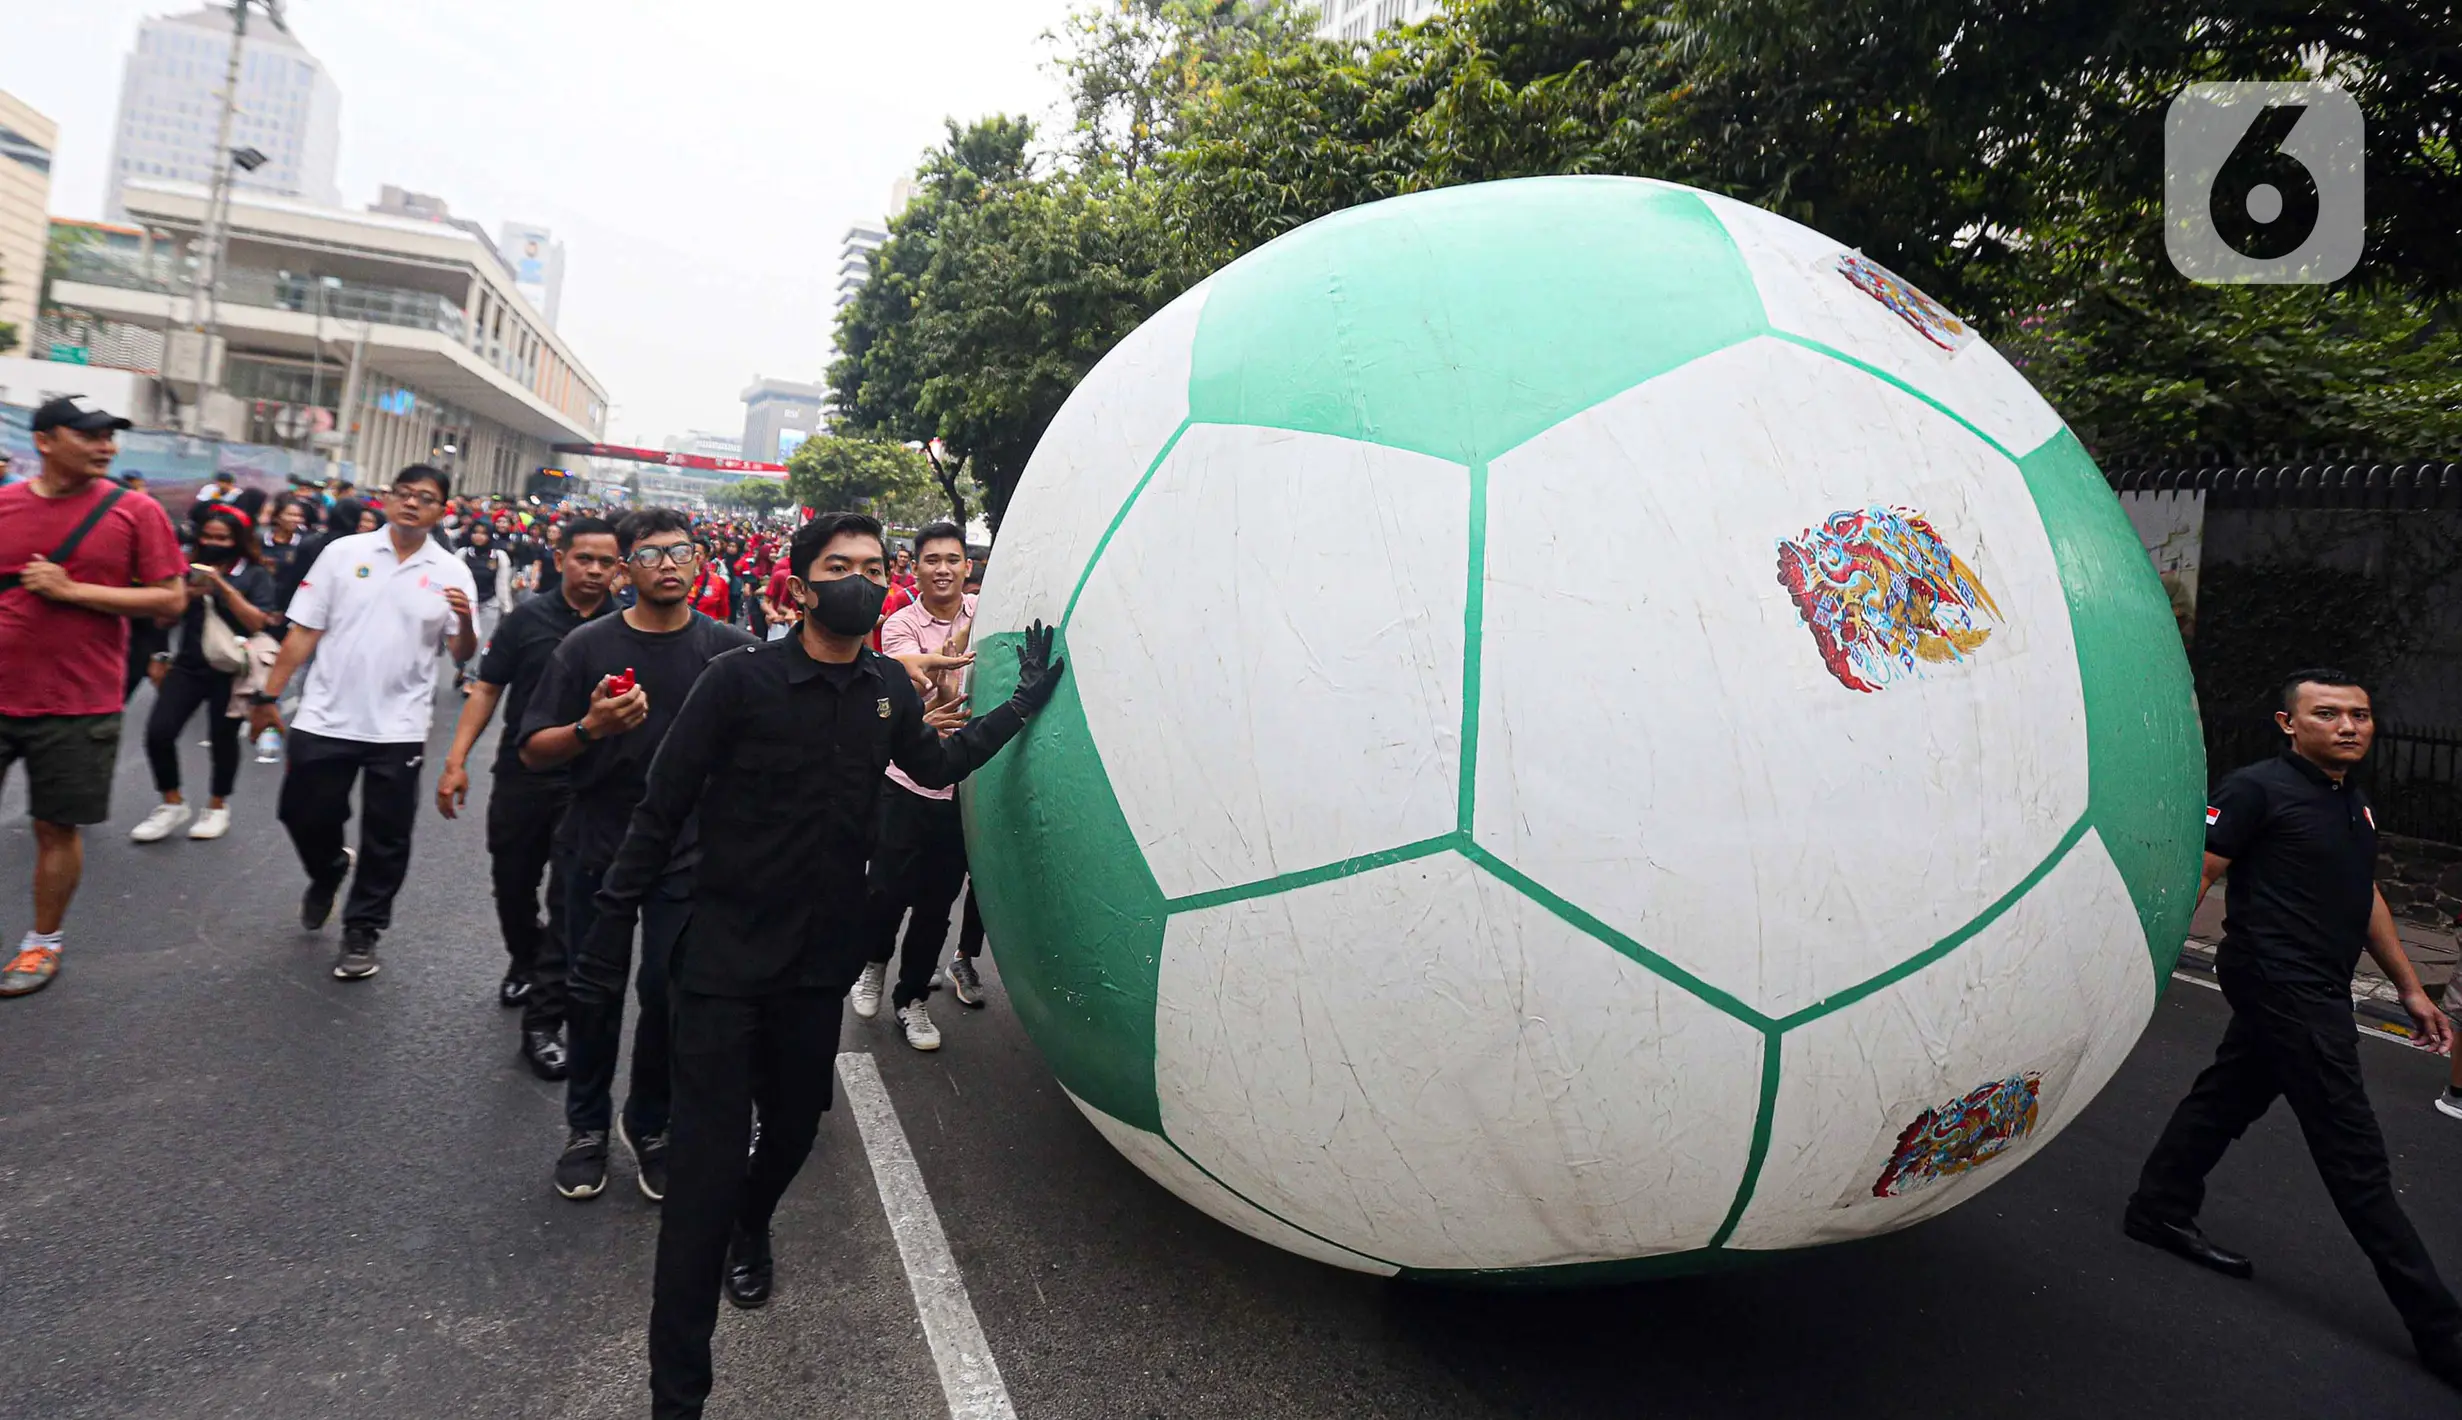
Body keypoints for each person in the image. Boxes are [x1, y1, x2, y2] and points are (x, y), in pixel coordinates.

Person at [582, 511, 1063, 1418]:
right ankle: (676, 1397)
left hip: (815, 967)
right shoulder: (738, 683)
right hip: (722, 966)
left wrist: (1021, 704)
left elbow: (940, 757)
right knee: (700, 1188)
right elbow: (661, 807)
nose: (862, 579)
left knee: (796, 1129)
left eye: (873, 566)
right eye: (839, 566)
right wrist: (608, 933)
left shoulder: (886, 687)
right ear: (799, 587)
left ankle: (754, 1223)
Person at [2128, 669, 2462, 1390]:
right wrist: (2151, 964)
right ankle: (2443, 1332)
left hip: (2317, 983)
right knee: (2356, 1156)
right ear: (2288, 723)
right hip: (2279, 983)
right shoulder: (2254, 789)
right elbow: (2202, 873)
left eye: (2361, 715)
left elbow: (2363, 892)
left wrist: (2407, 985)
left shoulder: (2353, 803)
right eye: (2328, 714)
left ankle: (2158, 1206)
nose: (2349, 726)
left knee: (2228, 1095)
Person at [520, 509, 755, 1203]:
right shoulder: (585, 649)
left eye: (680, 552)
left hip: (686, 858)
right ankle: (585, 1129)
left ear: (700, 560)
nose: (668, 565)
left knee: (667, 995)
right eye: (651, 555)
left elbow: (808, 682)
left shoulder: (730, 650)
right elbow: (533, 750)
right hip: (596, 849)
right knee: (593, 995)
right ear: (626, 570)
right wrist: (589, 728)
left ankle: (648, 1124)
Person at [250, 466, 477, 981]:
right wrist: (268, 697)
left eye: (426, 498)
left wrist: (463, 622)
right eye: (404, 494)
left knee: (387, 835)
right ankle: (327, 867)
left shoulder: (450, 571)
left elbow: (463, 654)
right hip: (325, 714)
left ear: (442, 510)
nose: (412, 504)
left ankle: (363, 929)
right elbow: (304, 630)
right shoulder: (342, 553)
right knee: (301, 813)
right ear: (389, 499)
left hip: (399, 726)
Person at [0, 397, 187, 999]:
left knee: (56, 827)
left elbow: (170, 600)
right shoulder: (4, 504)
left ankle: (41, 945)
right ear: (46, 441)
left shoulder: (135, 511)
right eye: (89, 435)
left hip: (79, 701)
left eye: (110, 436)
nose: (105, 446)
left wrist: (71, 589)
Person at [436, 515, 622, 1081]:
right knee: (513, 884)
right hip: (524, 776)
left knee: (571, 900)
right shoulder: (526, 620)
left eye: (605, 562)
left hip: (590, 786)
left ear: (620, 569)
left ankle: (543, 1022)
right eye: (583, 558)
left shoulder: (626, 627)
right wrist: (454, 760)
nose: (593, 570)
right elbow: (487, 687)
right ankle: (526, 955)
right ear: (560, 557)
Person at [853, 520, 982, 1044]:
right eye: (933, 560)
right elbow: (932, 690)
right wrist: (964, 641)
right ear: (916, 566)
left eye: (953, 560)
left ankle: (912, 1000)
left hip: (963, 788)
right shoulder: (900, 626)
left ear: (967, 567)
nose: (944, 569)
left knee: (937, 902)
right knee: (885, 892)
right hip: (906, 782)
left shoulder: (988, 611)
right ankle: (873, 965)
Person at [129, 505, 277, 844]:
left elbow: (257, 622)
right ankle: (171, 802)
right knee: (159, 732)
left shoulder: (254, 574)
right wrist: (185, 597)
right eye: (208, 536)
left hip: (233, 669)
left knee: (223, 739)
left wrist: (221, 587)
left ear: (237, 540)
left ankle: (216, 806)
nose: (213, 542)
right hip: (188, 665)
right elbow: (163, 620)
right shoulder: (184, 570)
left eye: (222, 538)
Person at [454, 521, 513, 691]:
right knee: (460, 642)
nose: (479, 536)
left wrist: (507, 608)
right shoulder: (463, 554)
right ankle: (461, 668)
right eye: (475, 532)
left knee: (482, 643)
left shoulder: (499, 556)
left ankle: (471, 678)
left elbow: (502, 584)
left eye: (483, 533)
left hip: (490, 604)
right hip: (465, 604)